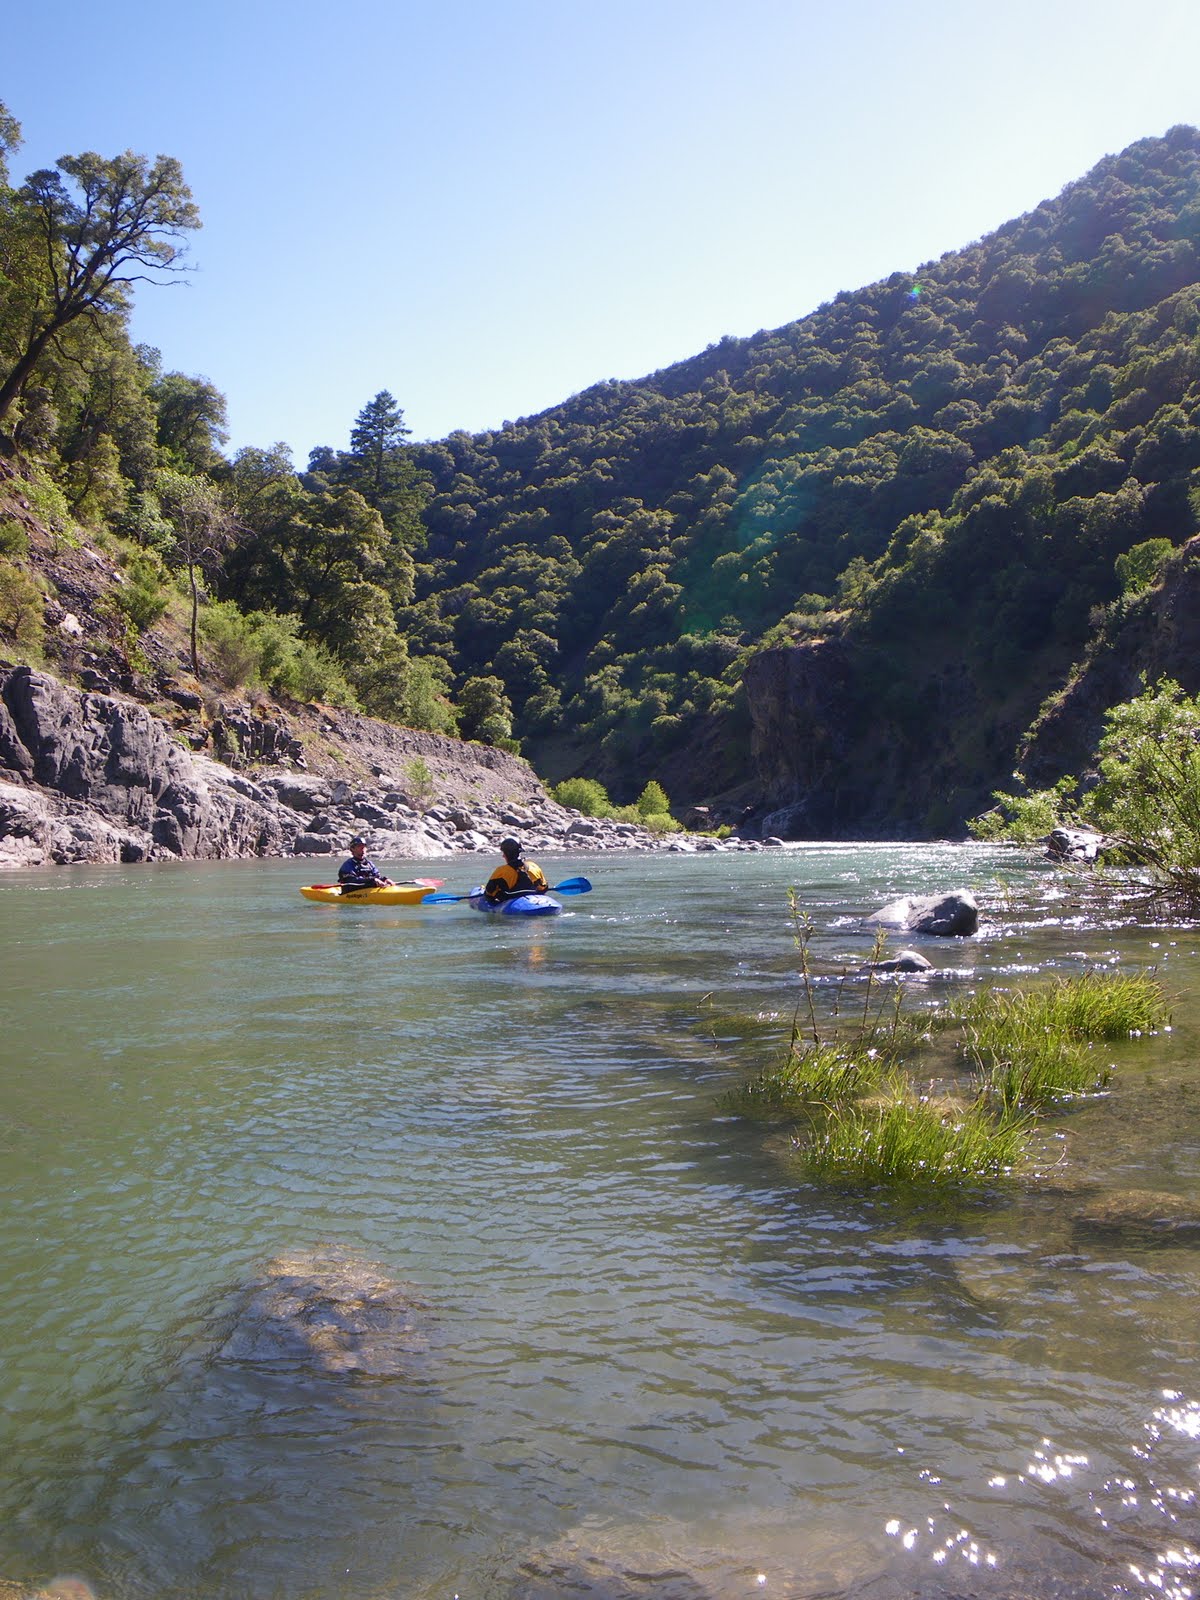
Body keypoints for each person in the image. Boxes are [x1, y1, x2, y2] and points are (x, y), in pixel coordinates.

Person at [483, 837, 548, 904]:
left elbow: (489, 892)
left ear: (506, 855)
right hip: (534, 897)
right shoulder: (533, 866)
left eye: (504, 853)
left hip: (510, 899)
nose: (503, 856)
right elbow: (544, 888)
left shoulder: (501, 871)